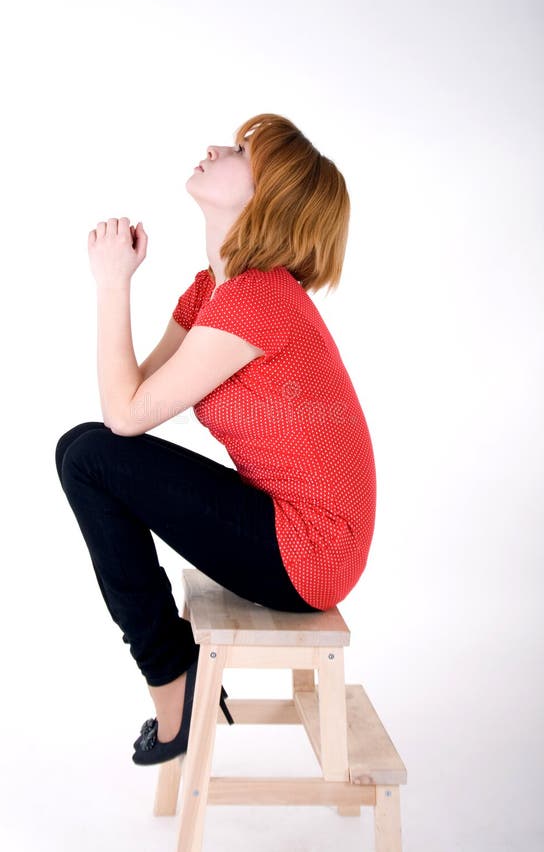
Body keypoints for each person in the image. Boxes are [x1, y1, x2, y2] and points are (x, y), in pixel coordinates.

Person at [54, 112, 377, 767]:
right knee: (84, 451)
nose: (214, 147)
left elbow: (124, 418)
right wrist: (121, 284)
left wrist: (112, 283)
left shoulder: (257, 299)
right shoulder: (213, 293)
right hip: (289, 526)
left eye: (238, 151)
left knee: (89, 453)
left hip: (310, 550)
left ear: (267, 195)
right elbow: (133, 398)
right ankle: (174, 668)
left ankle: (170, 675)